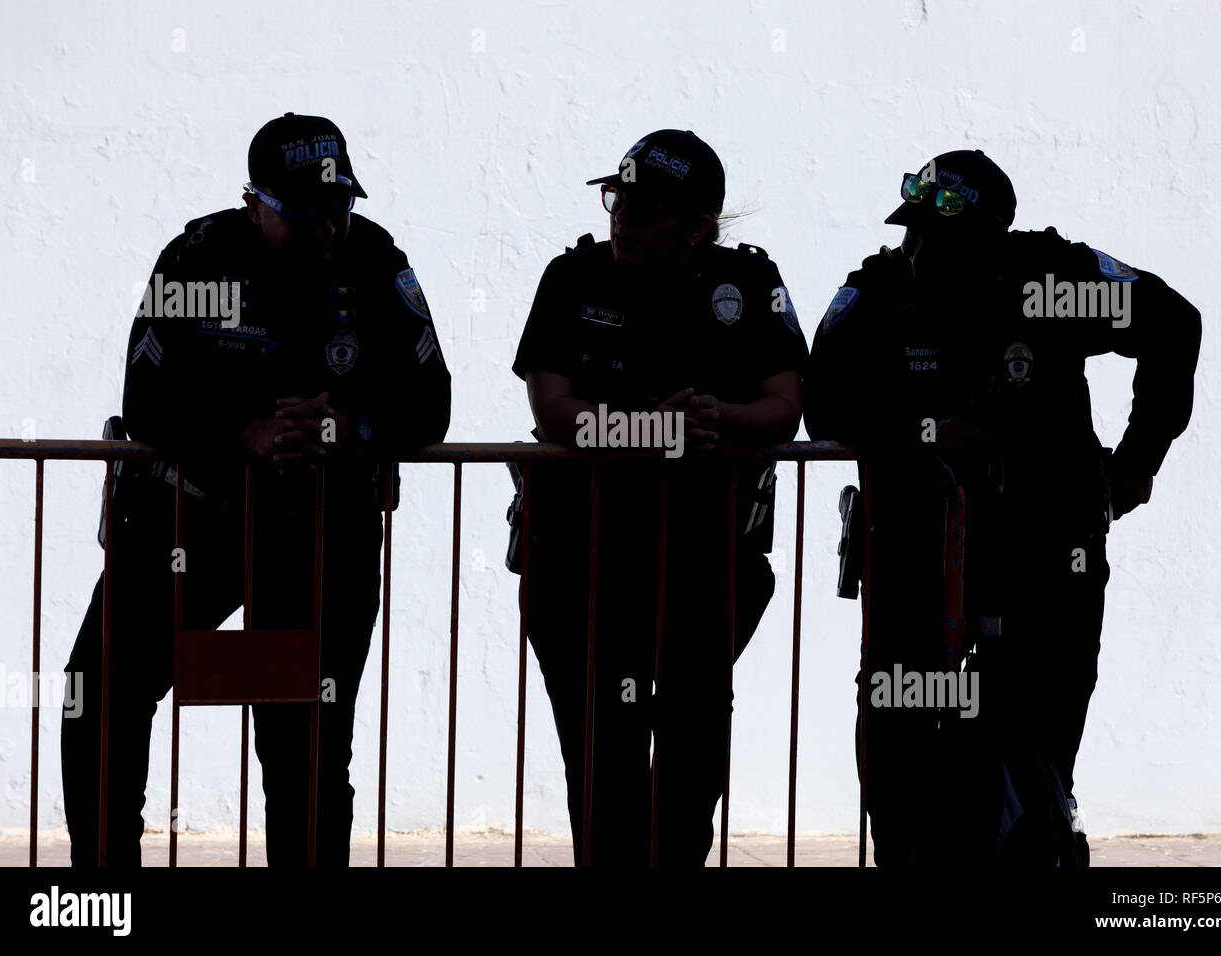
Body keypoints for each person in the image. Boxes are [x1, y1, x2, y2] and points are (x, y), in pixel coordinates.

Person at [62, 112, 451, 866]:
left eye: (339, 206)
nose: (326, 226)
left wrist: (346, 429)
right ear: (255, 202)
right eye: (303, 212)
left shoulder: (374, 260)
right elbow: (147, 399)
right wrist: (242, 432)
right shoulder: (198, 259)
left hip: (319, 533)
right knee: (97, 696)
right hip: (188, 521)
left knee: (304, 735)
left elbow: (430, 401)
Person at [806, 150, 1201, 866]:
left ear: (991, 235)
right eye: (911, 232)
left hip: (1048, 561)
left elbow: (1174, 325)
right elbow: (823, 402)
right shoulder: (884, 292)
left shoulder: (1052, 283)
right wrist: (926, 432)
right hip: (914, 561)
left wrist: (1134, 467)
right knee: (901, 746)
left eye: (939, 238)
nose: (919, 251)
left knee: (1037, 753)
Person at [510, 129, 808, 865]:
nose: (623, 217)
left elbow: (785, 405)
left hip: (705, 569)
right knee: (603, 771)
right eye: (618, 198)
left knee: (690, 769)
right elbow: (554, 409)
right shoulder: (571, 277)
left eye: (645, 209)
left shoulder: (746, 285)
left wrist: (720, 421)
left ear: (699, 226)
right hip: (581, 568)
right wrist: (657, 429)